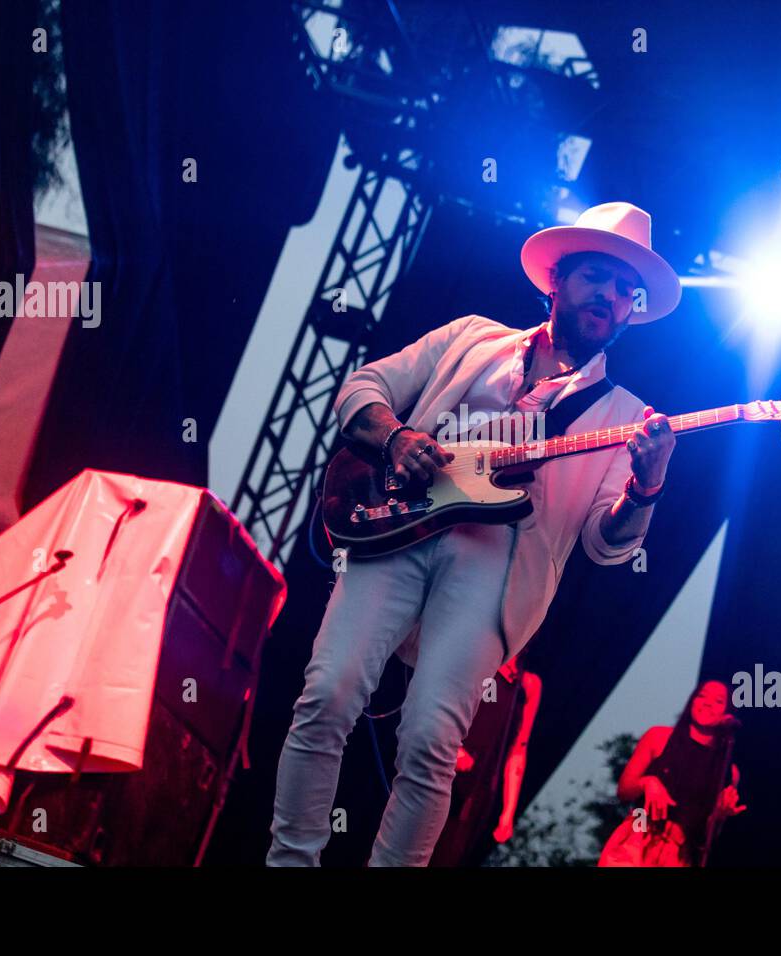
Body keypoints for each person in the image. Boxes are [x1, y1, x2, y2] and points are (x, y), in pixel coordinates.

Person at [266, 202, 682, 866]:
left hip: (493, 581)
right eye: (596, 277)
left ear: (631, 311)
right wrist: (398, 437)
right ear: (558, 282)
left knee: (431, 743)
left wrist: (646, 485)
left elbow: (610, 546)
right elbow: (360, 388)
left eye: (624, 289)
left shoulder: (626, 418)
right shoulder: (469, 338)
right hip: (393, 532)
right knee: (327, 694)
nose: (609, 295)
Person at [600, 680, 745, 867]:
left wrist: (719, 814)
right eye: (702, 696)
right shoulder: (658, 737)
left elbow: (706, 836)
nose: (707, 703)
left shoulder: (728, 770)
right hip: (638, 830)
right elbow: (623, 790)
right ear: (692, 701)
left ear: (728, 713)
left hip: (677, 853)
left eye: (718, 701)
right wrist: (647, 782)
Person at [428, 654, 542, 866]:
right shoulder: (481, 658)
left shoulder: (527, 684)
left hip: (478, 789)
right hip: (442, 770)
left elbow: (518, 750)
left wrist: (508, 811)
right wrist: (452, 747)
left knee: (448, 854)